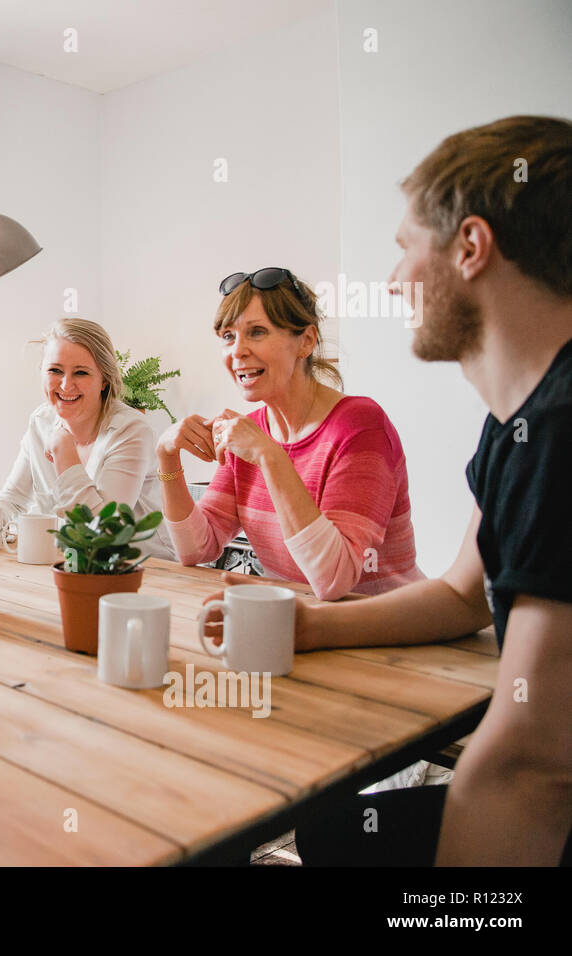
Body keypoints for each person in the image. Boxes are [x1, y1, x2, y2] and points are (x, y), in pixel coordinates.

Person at [231, 115, 572, 865]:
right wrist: (311, 627)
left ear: (471, 248)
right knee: (330, 832)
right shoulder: (515, 427)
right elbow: (458, 594)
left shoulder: (557, 431)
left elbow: (534, 766)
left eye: (404, 251)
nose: (392, 282)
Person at [157, 268, 424, 599]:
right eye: (228, 336)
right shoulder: (249, 433)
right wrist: (167, 458)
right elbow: (198, 548)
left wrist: (270, 456)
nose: (237, 351)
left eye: (256, 332)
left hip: (388, 628)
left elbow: (333, 579)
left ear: (307, 341)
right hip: (300, 624)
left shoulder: (360, 426)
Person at [0, 317, 173, 559]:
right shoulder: (41, 421)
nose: (66, 385)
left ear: (104, 380)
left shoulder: (131, 430)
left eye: (81, 372)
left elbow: (107, 533)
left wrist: (64, 454)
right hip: (69, 564)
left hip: (144, 571)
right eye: (55, 370)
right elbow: (13, 500)